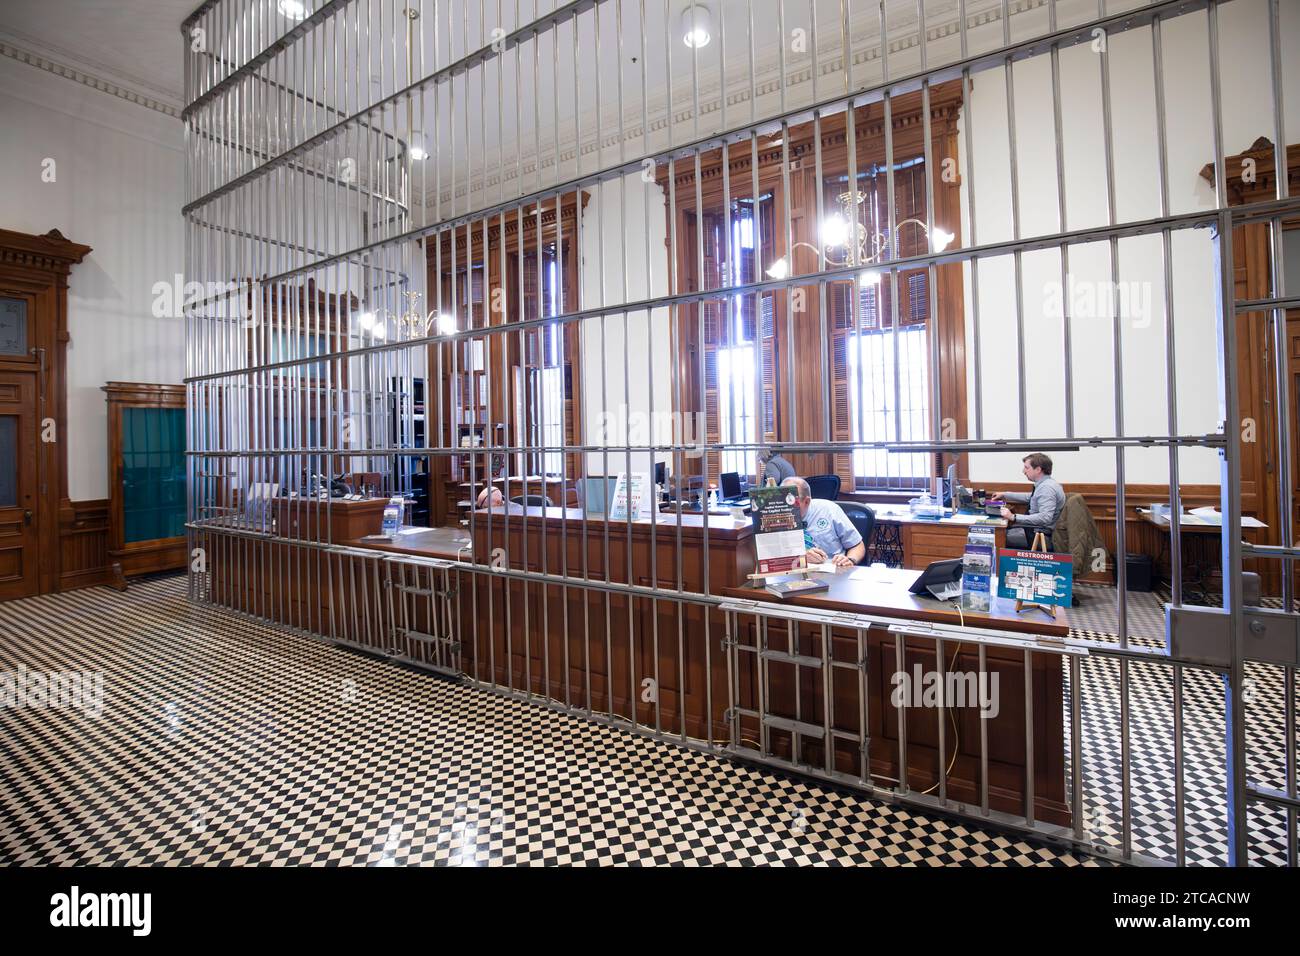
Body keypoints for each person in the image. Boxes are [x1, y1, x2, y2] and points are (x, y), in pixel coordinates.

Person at [781, 477, 865, 568]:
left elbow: (857, 545)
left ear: (807, 501)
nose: (786, 509)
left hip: (834, 570)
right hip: (793, 572)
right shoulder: (772, 516)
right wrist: (800, 557)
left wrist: (850, 560)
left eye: (791, 504)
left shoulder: (829, 510)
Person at [1000, 453, 1066, 550]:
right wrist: (1005, 494)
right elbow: (1030, 498)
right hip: (1035, 529)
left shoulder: (1047, 488)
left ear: (1038, 469)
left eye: (1027, 468)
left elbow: (1045, 518)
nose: (1023, 471)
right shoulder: (1046, 484)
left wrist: (1013, 517)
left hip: (1038, 533)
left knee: (999, 536)